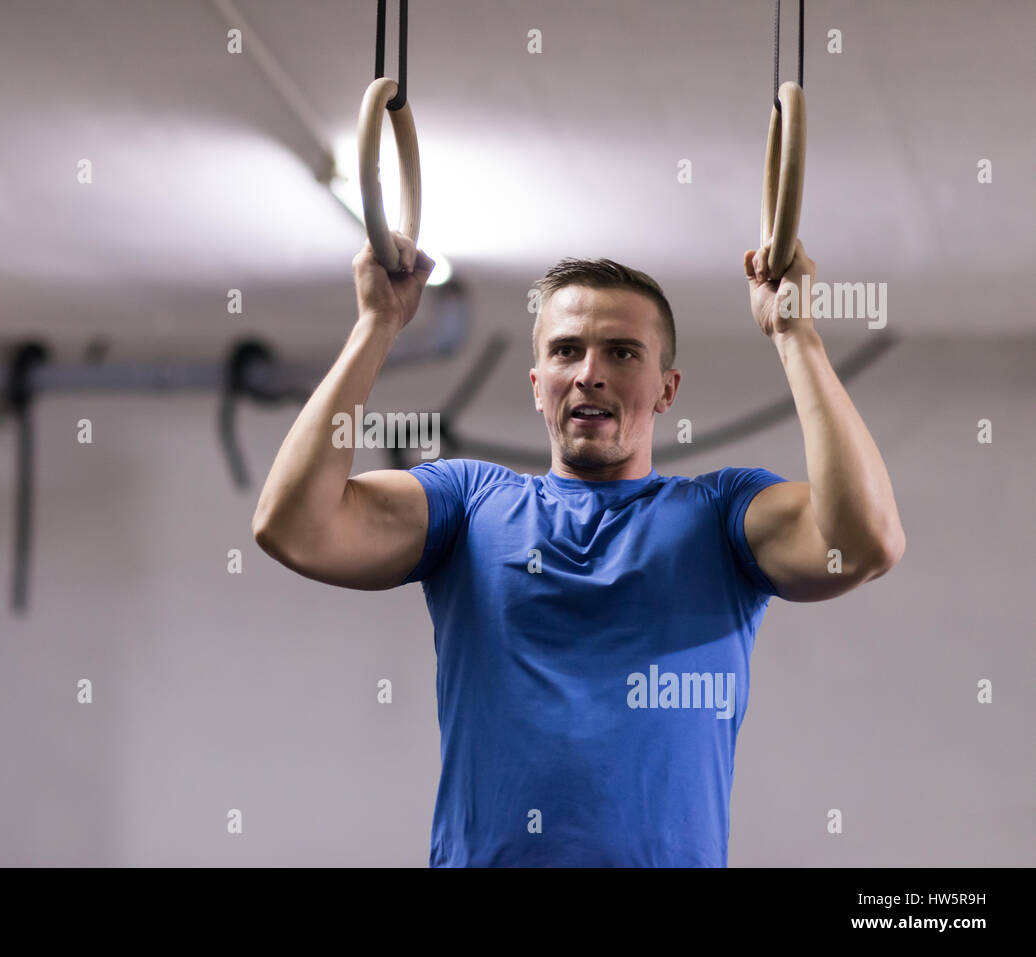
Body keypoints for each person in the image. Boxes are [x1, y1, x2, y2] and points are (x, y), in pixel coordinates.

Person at [251, 231, 905, 867]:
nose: (589, 373)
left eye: (621, 352)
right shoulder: (467, 503)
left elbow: (867, 540)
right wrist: (377, 325)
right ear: (538, 386)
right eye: (567, 351)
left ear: (667, 389)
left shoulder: (722, 515)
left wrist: (796, 334)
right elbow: (293, 525)